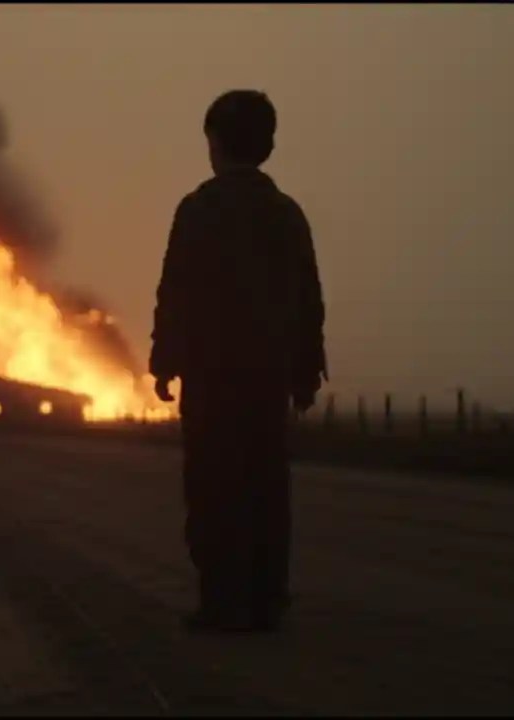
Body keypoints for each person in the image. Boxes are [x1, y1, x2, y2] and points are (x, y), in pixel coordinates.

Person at [149, 89, 326, 633]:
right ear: (267, 144)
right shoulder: (286, 214)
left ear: (216, 143)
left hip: (211, 381)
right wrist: (305, 372)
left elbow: (174, 292)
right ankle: (267, 598)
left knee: (211, 489)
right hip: (268, 379)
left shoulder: (198, 210)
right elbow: (307, 299)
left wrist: (164, 360)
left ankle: (221, 601)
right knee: (265, 487)